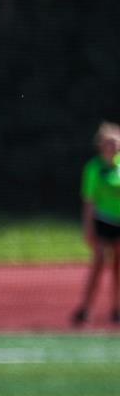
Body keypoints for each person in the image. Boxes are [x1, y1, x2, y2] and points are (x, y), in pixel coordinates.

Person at [73, 122, 120, 326]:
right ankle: (85, 308)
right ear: (101, 145)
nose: (114, 146)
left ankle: (116, 308)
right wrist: (88, 228)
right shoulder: (94, 168)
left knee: (118, 266)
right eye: (110, 142)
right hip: (102, 221)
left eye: (117, 143)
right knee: (99, 262)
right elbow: (89, 201)